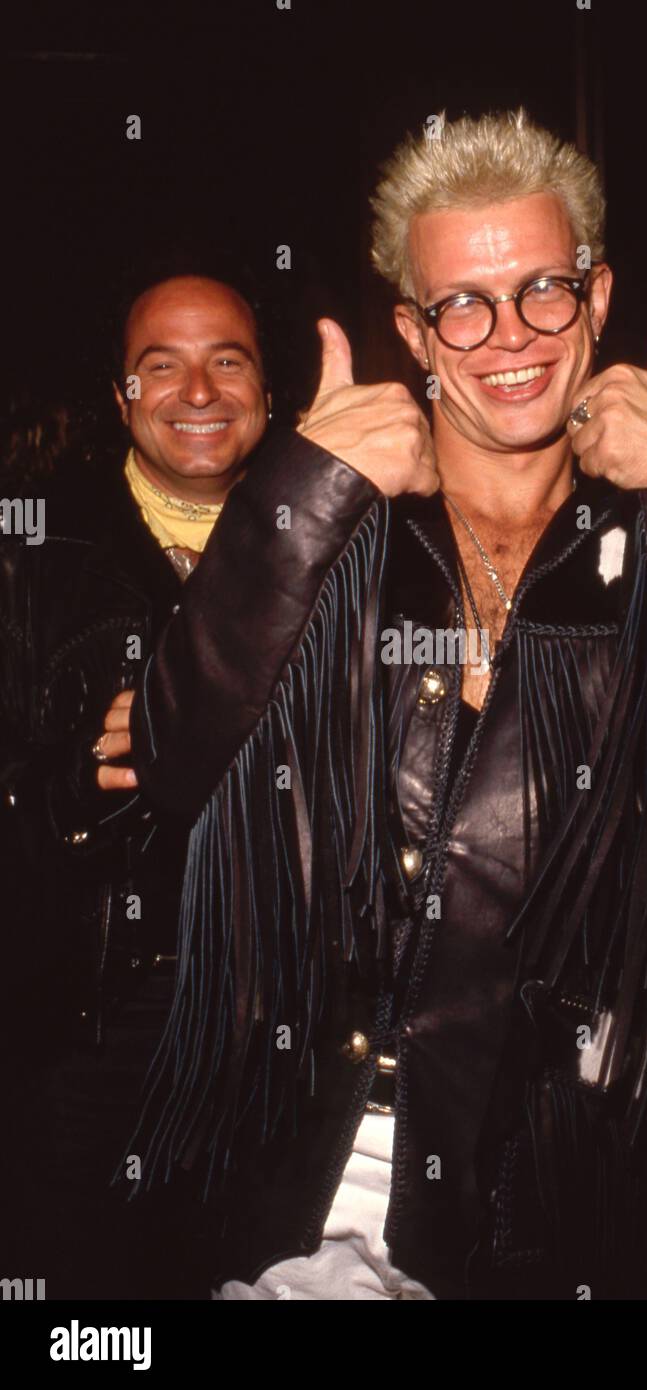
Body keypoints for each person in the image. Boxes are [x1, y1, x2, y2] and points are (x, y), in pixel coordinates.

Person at [109, 110, 647, 1300]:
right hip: (285, 1181)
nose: (506, 336)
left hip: (528, 1200)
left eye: (542, 291)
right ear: (414, 328)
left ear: (598, 295)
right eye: (462, 303)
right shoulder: (334, 524)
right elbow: (173, 762)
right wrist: (304, 491)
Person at [0, 266, 271, 1298]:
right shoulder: (31, 551)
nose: (197, 392)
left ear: (267, 391)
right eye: (163, 367)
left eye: (226, 361)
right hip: (92, 1020)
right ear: (123, 398)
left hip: (276, 1027)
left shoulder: (336, 543)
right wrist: (71, 781)